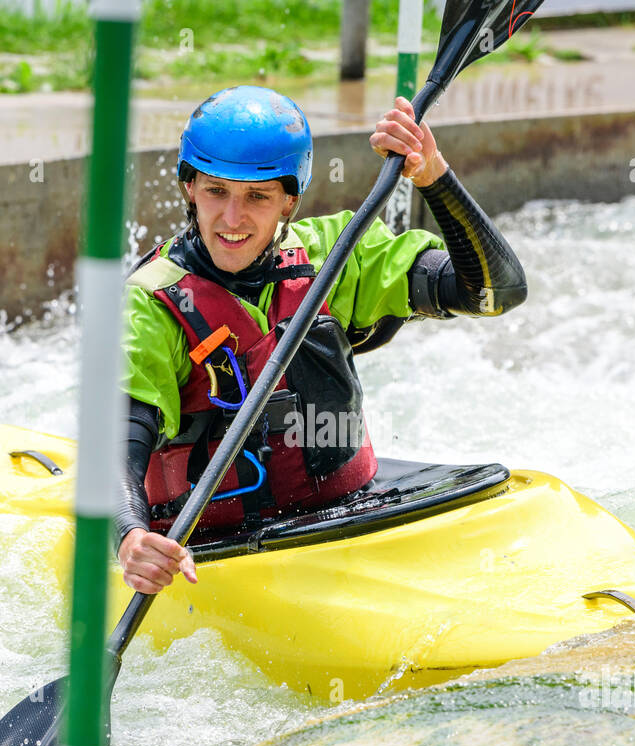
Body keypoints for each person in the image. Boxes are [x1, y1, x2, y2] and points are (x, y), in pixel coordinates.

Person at [114, 85, 527, 595]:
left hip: (351, 512)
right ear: (188, 187)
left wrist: (433, 176)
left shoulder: (334, 254)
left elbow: (495, 291)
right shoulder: (149, 304)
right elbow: (114, 443)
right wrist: (131, 535)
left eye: (257, 196)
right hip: (216, 543)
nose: (233, 218)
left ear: (289, 201)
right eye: (216, 191)